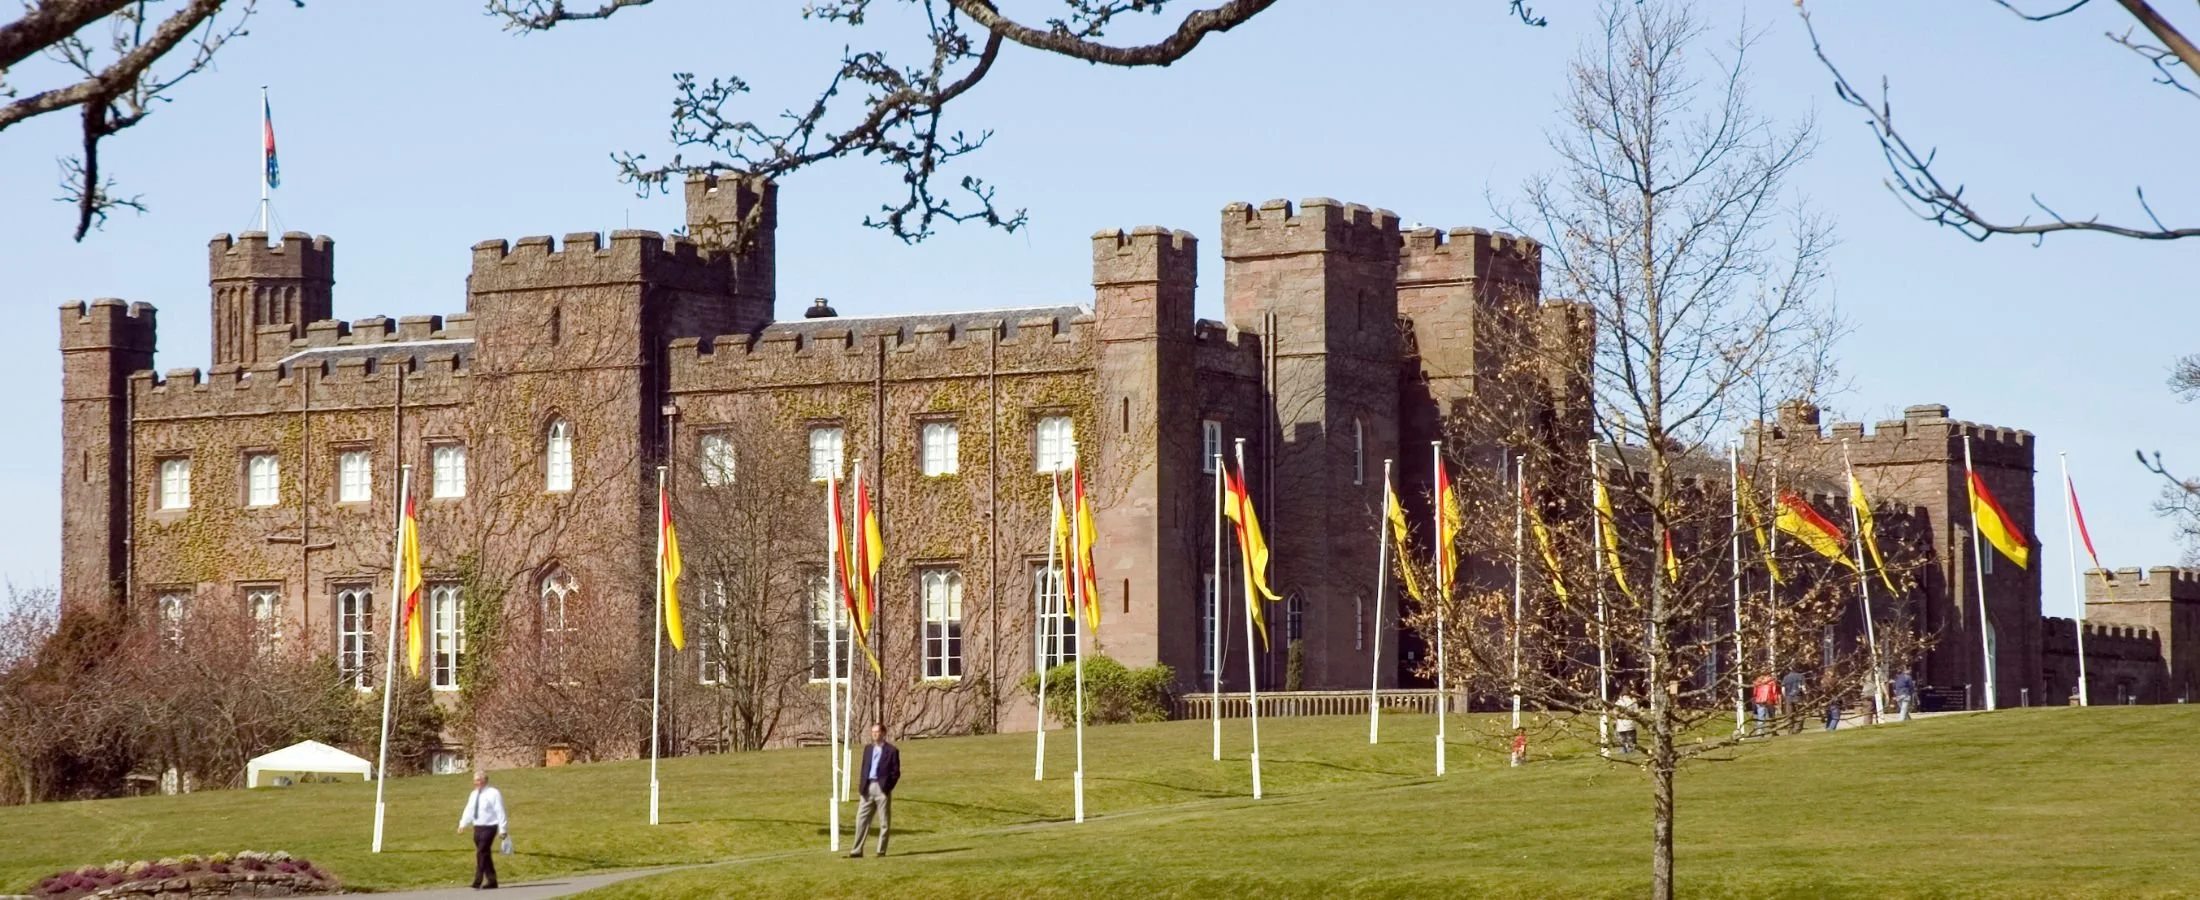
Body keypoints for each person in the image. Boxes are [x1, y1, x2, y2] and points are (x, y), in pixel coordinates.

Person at [848, 723, 900, 858]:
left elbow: (895, 773)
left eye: (877, 732)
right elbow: (864, 768)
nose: (874, 734)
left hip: (882, 789)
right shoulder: (868, 749)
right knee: (861, 820)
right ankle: (856, 851)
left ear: (883, 733)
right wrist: (862, 786)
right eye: (873, 732)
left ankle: (881, 851)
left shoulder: (892, 751)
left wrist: (887, 787)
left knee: (884, 822)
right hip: (867, 788)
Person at [456, 770, 508, 890]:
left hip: (490, 826)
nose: (476, 783)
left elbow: (500, 811)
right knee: (485, 854)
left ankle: (477, 880)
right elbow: (469, 810)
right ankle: (492, 881)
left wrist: (503, 829)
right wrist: (462, 824)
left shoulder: (493, 793)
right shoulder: (473, 794)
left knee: (481, 852)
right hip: (477, 827)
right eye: (475, 780)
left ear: (485, 781)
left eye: (479, 780)